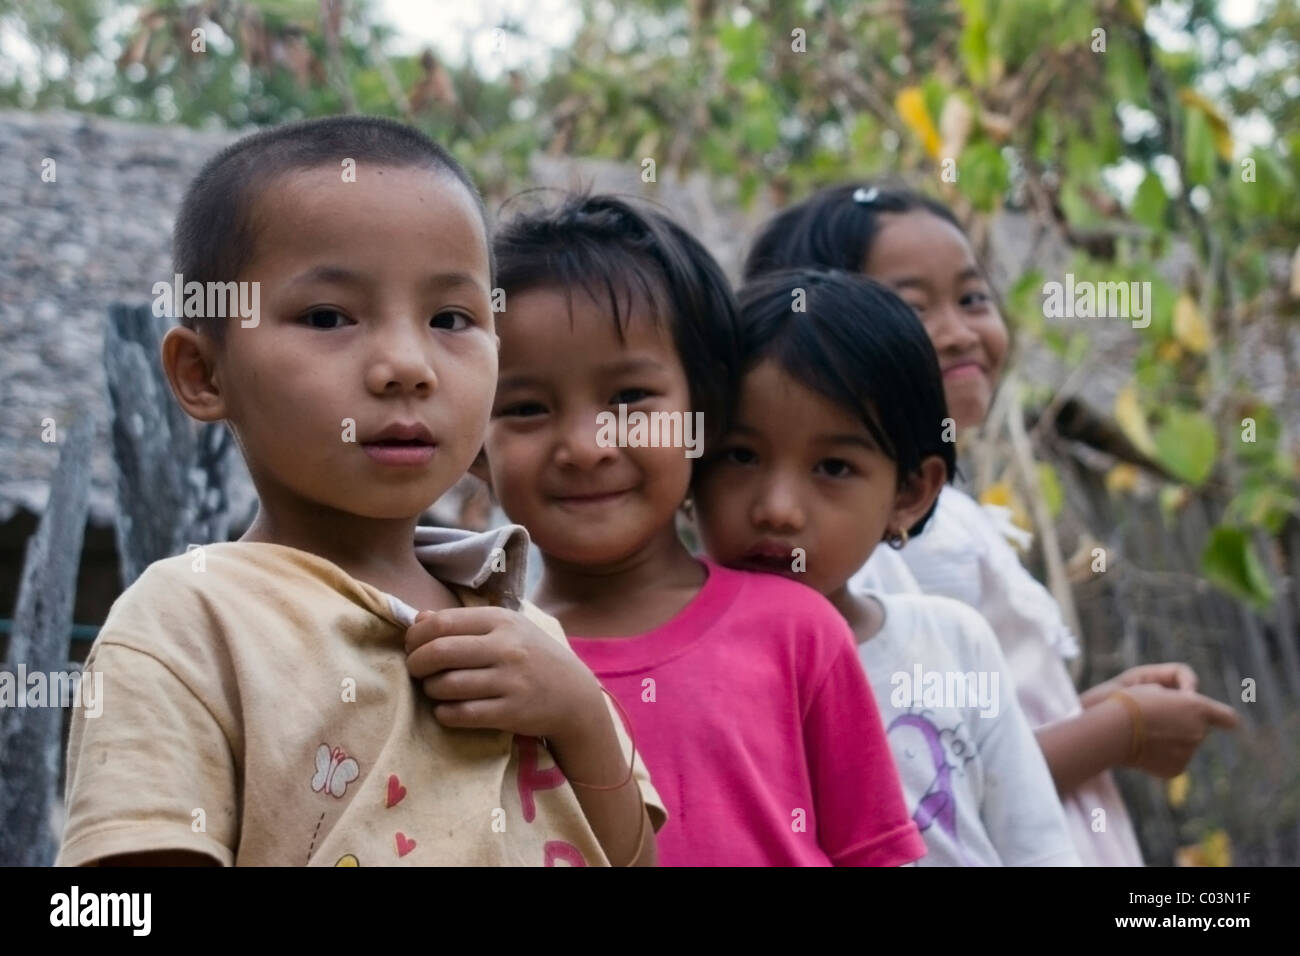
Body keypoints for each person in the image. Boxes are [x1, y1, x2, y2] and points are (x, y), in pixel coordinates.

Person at [57, 117, 664, 868]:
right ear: (203, 374)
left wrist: (579, 718)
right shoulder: (189, 623)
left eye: (451, 319)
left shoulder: (528, 632)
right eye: (327, 317)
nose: (407, 365)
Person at [743, 182, 1239, 865]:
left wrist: (1090, 709)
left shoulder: (948, 517)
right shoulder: (857, 544)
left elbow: (962, 727)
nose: (957, 330)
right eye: (914, 307)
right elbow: (921, 778)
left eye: (972, 298)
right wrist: (1119, 731)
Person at [474, 192, 924, 866]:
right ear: (473, 448)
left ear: (703, 416)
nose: (588, 445)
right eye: (527, 407)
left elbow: (877, 855)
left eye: (630, 397)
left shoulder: (798, 632)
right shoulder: (484, 659)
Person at [694, 268, 1080, 865]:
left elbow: (1037, 845)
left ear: (909, 494)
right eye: (740, 456)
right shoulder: (674, 659)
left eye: (833, 467)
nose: (777, 509)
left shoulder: (953, 643)